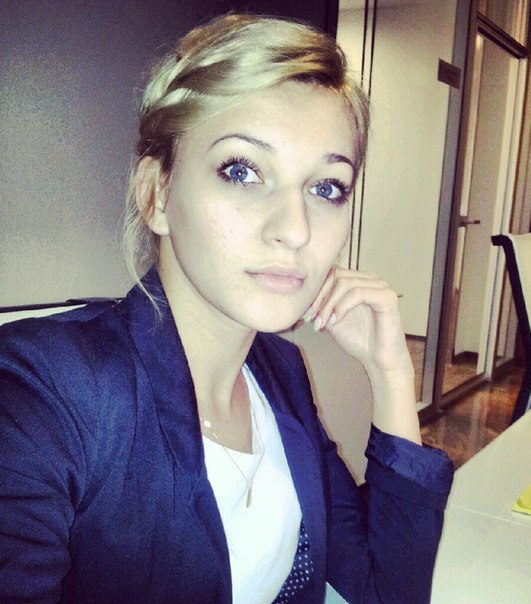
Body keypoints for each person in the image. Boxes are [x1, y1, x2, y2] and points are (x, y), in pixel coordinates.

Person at [0, 13, 453, 604]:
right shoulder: (42, 392)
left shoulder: (280, 373)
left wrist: (390, 374)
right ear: (156, 194)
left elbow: (383, 589)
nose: (296, 229)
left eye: (326, 188)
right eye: (242, 171)